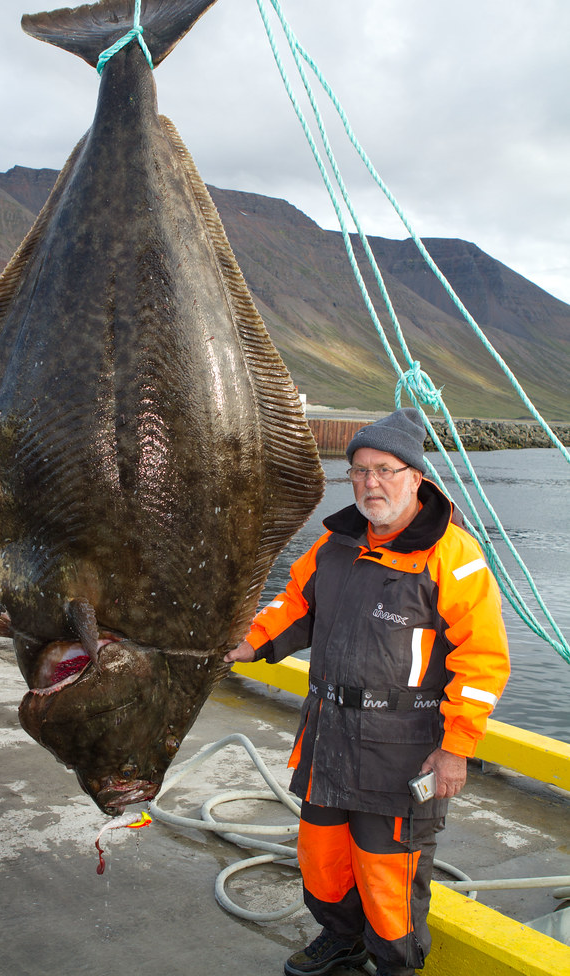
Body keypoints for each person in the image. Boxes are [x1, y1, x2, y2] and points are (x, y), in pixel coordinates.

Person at [224, 408, 510, 976]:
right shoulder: (333, 547)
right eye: (358, 470)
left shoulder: (454, 555)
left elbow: (483, 663)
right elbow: (292, 610)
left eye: (384, 468)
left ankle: (395, 965)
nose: (370, 482)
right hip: (328, 738)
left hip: (401, 752)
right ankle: (341, 940)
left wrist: (456, 749)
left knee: (388, 874)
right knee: (322, 859)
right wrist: (244, 645)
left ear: (417, 477)